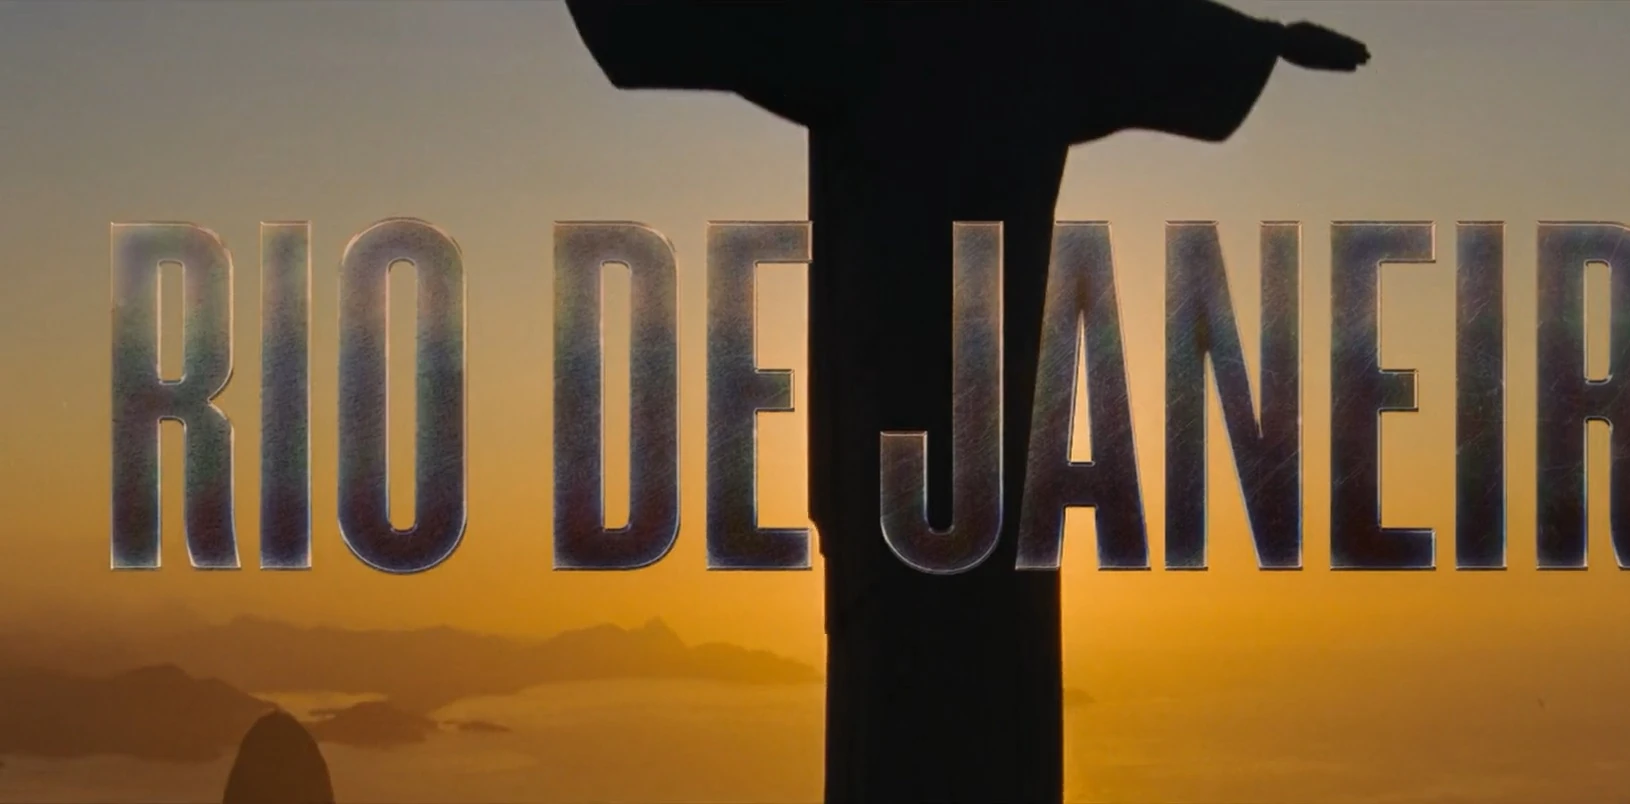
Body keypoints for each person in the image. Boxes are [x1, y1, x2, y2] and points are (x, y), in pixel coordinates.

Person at [563, 3, 1369, 801]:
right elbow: (1144, 33)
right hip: (956, 436)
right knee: (953, 665)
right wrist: (1262, 44)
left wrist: (1263, 44)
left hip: (923, 434)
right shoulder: (1017, 29)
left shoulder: (884, 27)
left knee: (922, 675)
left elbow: (688, 27)